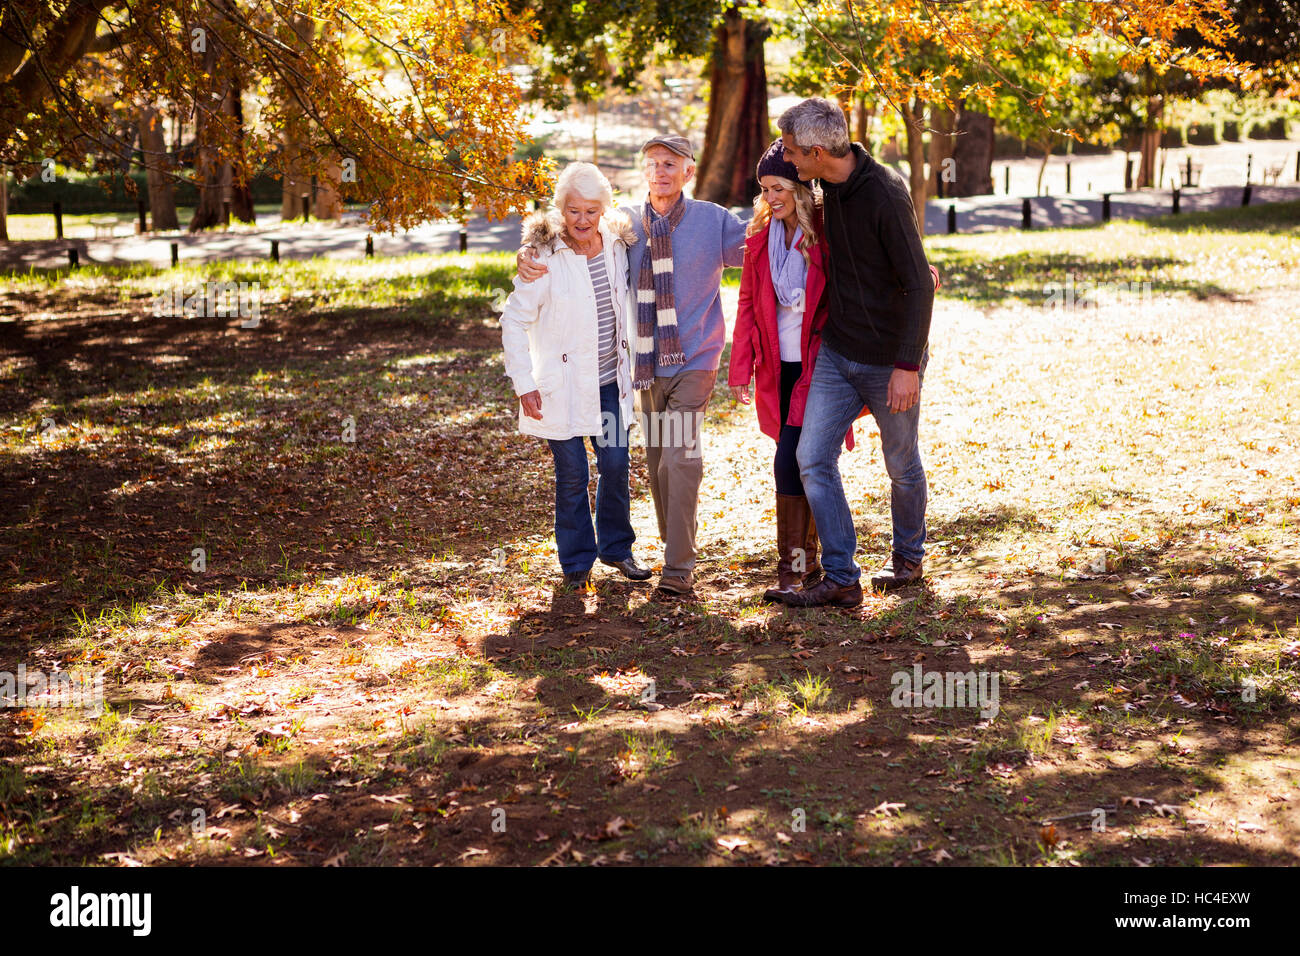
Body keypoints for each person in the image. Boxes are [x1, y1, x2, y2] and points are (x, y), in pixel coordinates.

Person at [518, 135, 747, 596]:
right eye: (652, 164)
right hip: (643, 369)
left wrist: (807, 210)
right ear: (643, 173)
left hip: (695, 361)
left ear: (689, 172)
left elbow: (764, 248)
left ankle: (678, 569)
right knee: (659, 464)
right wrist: (528, 250)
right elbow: (567, 227)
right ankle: (667, 542)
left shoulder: (713, 221)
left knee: (680, 460)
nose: (661, 171)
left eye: (671, 164)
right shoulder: (625, 229)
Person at [774, 97, 936, 609]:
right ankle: (842, 577)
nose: (789, 161)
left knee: (900, 462)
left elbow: (919, 284)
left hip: (891, 359)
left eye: (794, 153)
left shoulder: (885, 194)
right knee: (812, 457)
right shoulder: (824, 185)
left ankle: (909, 557)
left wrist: (907, 367)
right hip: (838, 353)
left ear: (818, 151)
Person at [499, 162, 653, 590]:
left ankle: (617, 549)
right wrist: (523, 383)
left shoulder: (618, 245)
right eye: (573, 211)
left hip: (608, 382)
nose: (582, 221)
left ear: (604, 209)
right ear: (560, 210)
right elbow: (512, 320)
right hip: (560, 388)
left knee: (616, 463)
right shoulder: (544, 257)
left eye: (591, 211)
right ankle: (576, 562)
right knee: (572, 475)